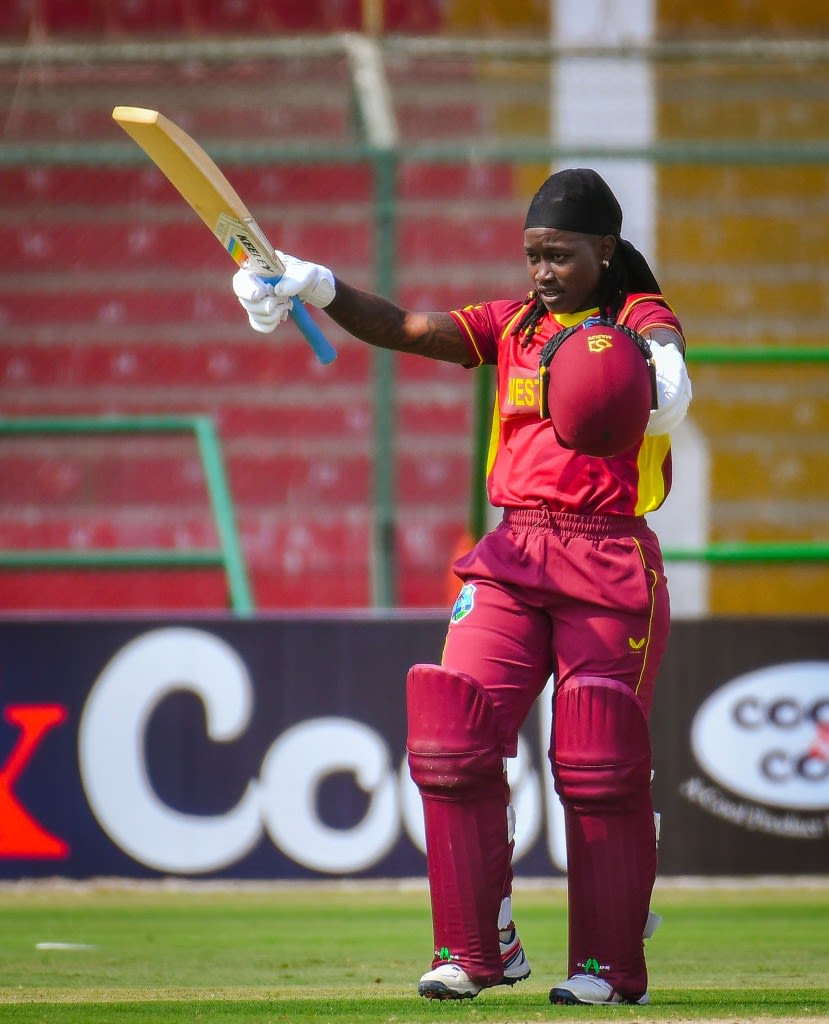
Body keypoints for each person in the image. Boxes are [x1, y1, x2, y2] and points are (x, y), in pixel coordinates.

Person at [232, 167, 692, 1006]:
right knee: (450, 733)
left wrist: (654, 384)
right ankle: (480, 950)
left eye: (559, 256)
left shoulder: (638, 317)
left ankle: (607, 967)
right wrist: (318, 284)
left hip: (610, 557)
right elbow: (411, 327)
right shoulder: (513, 323)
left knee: (597, 757)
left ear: (606, 250)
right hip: (516, 551)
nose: (542, 273)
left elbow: (667, 365)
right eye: (532, 256)